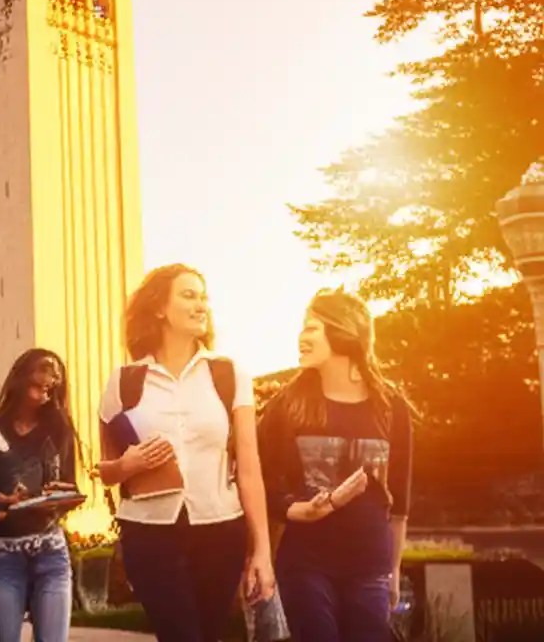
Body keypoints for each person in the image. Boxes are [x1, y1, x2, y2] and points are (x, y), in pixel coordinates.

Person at [94, 263, 275, 642]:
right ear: (160, 308)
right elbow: (105, 470)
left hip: (221, 529)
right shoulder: (124, 382)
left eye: (203, 297)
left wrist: (262, 552)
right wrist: (128, 464)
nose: (201, 305)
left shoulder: (228, 375)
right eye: (189, 295)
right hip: (148, 533)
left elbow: (250, 468)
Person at [258, 290, 414, 642]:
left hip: (369, 566)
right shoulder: (287, 405)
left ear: (342, 333)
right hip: (306, 564)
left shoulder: (391, 408)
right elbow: (262, 487)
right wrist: (300, 511)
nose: (302, 337)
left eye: (311, 328)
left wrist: (393, 570)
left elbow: (399, 504)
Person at [0, 348, 84, 642]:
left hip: (51, 553)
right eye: (37, 384)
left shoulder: (59, 432)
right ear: (20, 379)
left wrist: (56, 501)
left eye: (51, 388)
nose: (43, 393)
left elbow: (69, 486)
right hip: (2, 557)